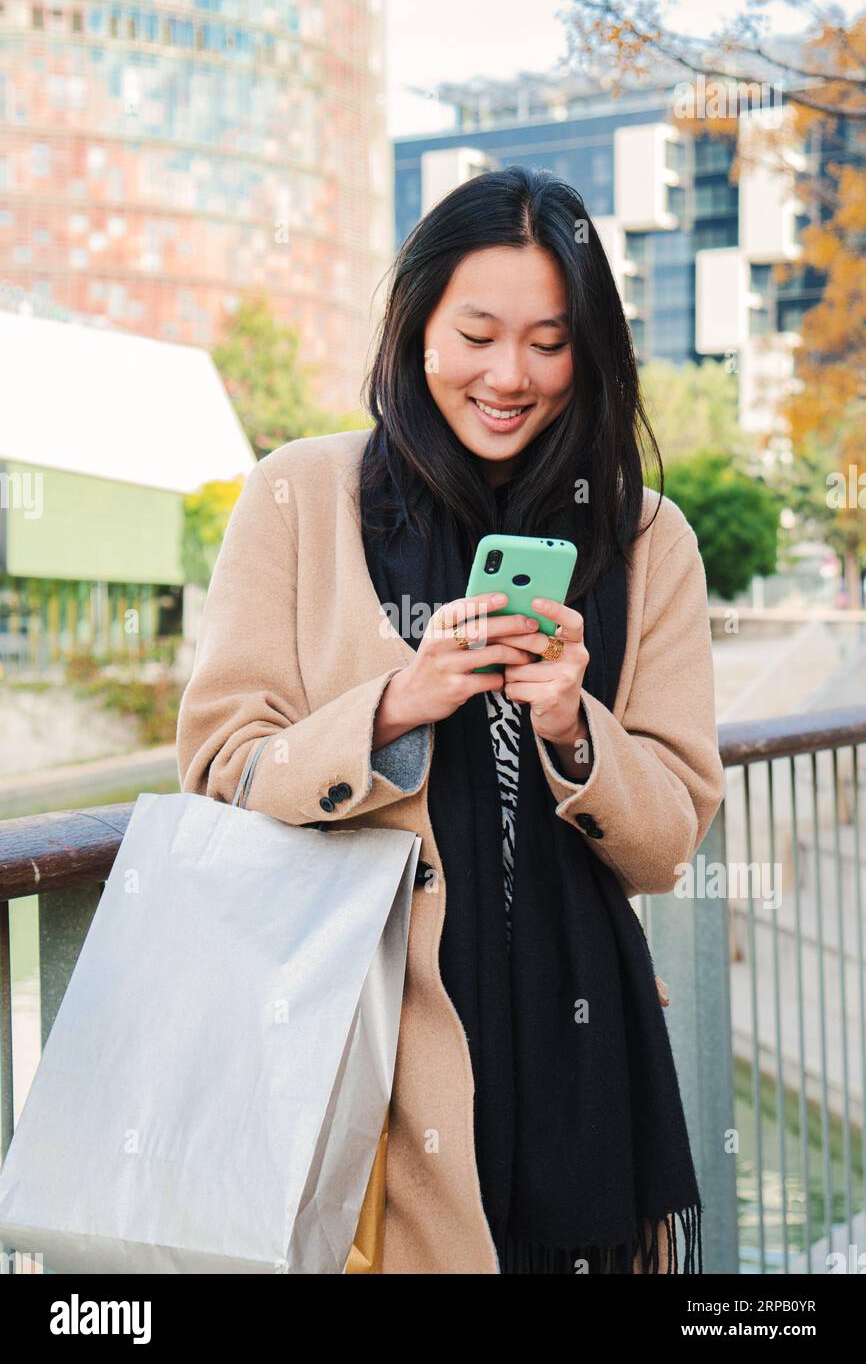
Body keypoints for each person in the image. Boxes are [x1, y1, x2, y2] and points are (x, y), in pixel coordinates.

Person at [176, 164, 726, 1274]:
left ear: (590, 352)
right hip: (367, 1065)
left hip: (585, 1070)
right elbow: (219, 768)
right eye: (475, 331)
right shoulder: (298, 497)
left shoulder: (644, 539)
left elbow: (668, 839)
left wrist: (575, 730)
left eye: (549, 341)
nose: (508, 375)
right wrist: (392, 707)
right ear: (416, 323)